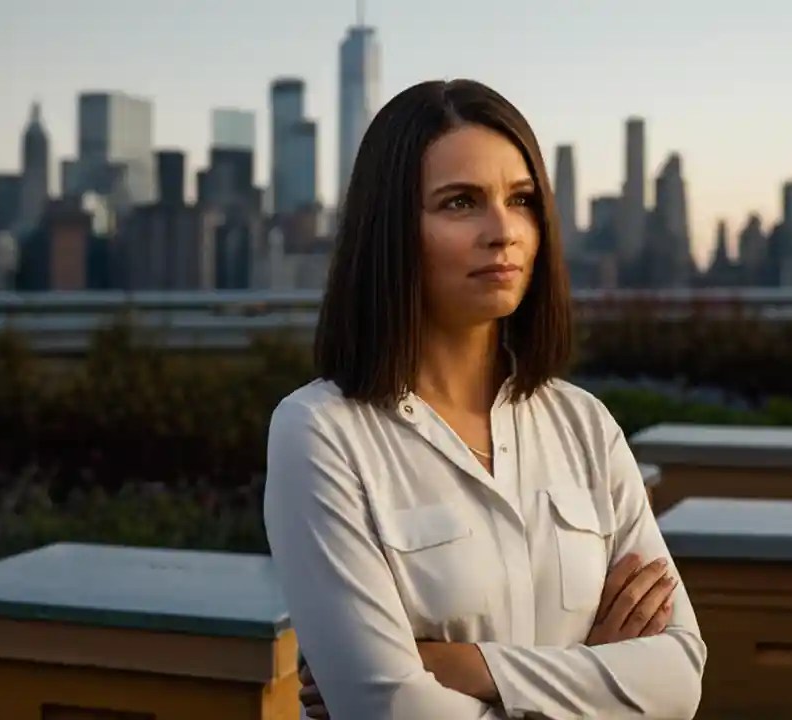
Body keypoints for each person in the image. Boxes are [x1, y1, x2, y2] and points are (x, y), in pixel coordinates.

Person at [264, 78, 706, 719]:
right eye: (460, 203)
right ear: (391, 229)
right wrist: (597, 678)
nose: (503, 231)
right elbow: (389, 708)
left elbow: (678, 677)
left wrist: (467, 666)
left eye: (522, 199)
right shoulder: (320, 433)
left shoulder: (584, 425)